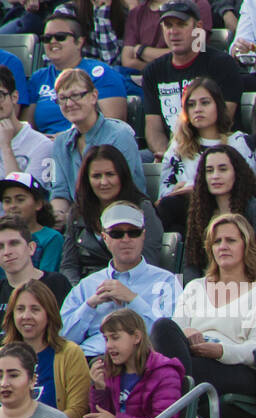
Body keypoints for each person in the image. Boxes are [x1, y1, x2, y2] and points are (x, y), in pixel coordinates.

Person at [154, 212, 256, 399]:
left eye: (231, 240)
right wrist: (186, 333)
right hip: (193, 359)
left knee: (170, 373)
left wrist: (221, 351)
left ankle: (181, 414)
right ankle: (187, 413)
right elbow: (175, 332)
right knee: (162, 327)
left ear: (246, 245)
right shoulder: (194, 287)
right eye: (217, 241)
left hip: (236, 368)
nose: (223, 247)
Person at [61, 203, 182, 359]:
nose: (126, 239)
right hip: (91, 359)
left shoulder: (166, 281)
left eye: (133, 232)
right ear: (105, 238)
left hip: (143, 362)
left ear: (143, 235)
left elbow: (169, 338)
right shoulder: (87, 285)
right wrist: (89, 306)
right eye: (117, 234)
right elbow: (63, 340)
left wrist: (132, 299)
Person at [141, 0, 242, 160]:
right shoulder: (153, 71)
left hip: (215, 151)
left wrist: (188, 154)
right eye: (168, 25)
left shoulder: (221, 64)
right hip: (173, 151)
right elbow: (153, 128)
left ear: (199, 27)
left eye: (181, 24)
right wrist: (169, 154)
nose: (173, 32)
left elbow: (223, 121)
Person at [48, 70, 146, 227]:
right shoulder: (60, 143)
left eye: (76, 95)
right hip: (78, 223)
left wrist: (75, 219)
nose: (69, 103)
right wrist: (58, 216)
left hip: (123, 220)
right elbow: (60, 193)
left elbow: (123, 191)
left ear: (94, 96)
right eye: (63, 98)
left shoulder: (120, 135)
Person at [155, 79, 255, 231]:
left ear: (218, 106)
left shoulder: (238, 141)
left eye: (205, 103)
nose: (198, 109)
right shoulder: (178, 146)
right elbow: (164, 193)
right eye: (191, 104)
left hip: (230, 209)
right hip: (189, 214)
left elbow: (252, 187)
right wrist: (177, 190)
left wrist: (194, 188)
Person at [59, 145, 162, 284]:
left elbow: (150, 262)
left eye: (110, 174)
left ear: (121, 176)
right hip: (87, 289)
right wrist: (79, 292)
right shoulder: (77, 212)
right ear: (87, 180)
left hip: (131, 287)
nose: (104, 182)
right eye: (96, 176)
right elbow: (69, 265)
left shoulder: (142, 208)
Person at [25, 9, 127, 135]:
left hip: (89, 146)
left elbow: (113, 126)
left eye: (60, 37)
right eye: (47, 38)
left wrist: (65, 139)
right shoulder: (38, 78)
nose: (52, 42)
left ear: (79, 42)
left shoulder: (100, 74)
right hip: (44, 148)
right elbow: (27, 129)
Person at [1, 279, 88, 418]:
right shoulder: (2, 355)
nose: (26, 316)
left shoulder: (70, 353)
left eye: (35, 309)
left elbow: (77, 411)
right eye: (20, 309)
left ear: (49, 314)